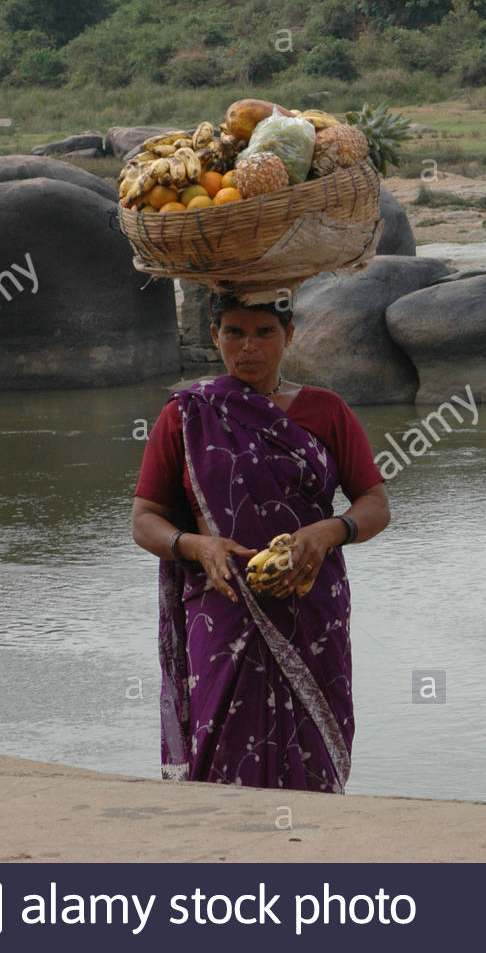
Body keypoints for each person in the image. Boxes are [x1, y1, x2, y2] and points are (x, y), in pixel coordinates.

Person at [131, 292, 390, 793]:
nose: (248, 347)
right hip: (221, 606)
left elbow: (374, 503)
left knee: (312, 739)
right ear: (214, 337)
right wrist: (196, 546)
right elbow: (145, 521)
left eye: (264, 333)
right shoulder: (187, 413)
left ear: (289, 336)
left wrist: (329, 530)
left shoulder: (326, 410)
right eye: (234, 332)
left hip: (311, 605)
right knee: (222, 739)